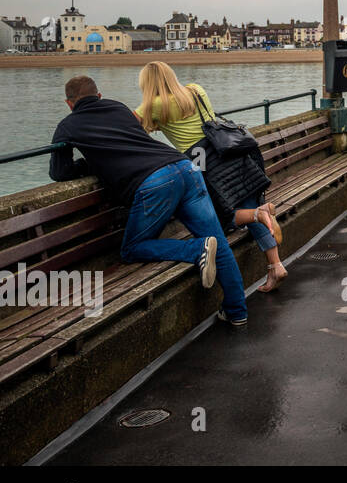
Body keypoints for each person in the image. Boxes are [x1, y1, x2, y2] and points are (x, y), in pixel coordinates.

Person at [48, 75, 248, 326]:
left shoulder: (67, 125)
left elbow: (59, 172)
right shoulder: (119, 108)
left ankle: (197, 249)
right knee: (218, 240)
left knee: (132, 249)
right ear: (99, 95)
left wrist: (89, 164)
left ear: (68, 103)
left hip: (155, 181)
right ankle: (237, 312)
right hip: (185, 166)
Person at [135, 61, 287, 292]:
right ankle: (276, 265)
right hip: (226, 150)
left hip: (201, 161)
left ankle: (260, 213)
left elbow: (132, 126)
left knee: (223, 216)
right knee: (247, 203)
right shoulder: (196, 90)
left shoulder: (154, 106)